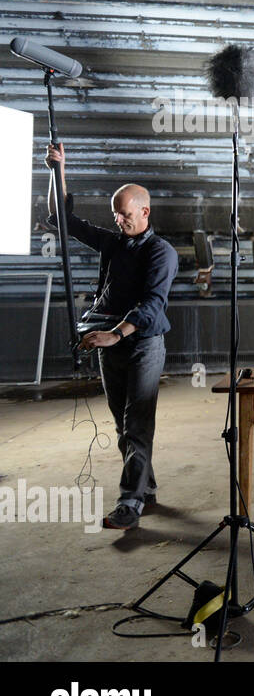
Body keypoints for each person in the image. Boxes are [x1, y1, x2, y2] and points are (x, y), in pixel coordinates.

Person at [44, 143, 178, 531]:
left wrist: (116, 335)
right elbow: (62, 220)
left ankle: (130, 502)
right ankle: (146, 486)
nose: (119, 221)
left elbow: (152, 305)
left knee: (137, 423)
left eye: (126, 214)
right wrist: (59, 171)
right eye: (115, 215)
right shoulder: (114, 242)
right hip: (108, 340)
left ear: (145, 212)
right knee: (122, 425)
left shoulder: (161, 253)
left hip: (141, 344)